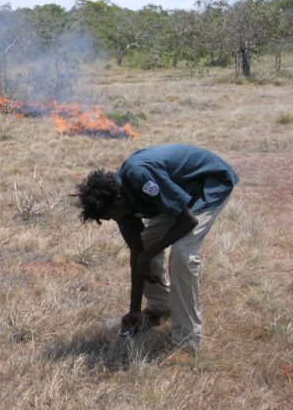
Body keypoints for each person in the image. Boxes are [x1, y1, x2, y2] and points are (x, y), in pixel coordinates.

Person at [74, 144, 239, 353]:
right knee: (147, 247)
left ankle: (187, 340)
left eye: (113, 214)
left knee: (182, 255)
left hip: (209, 181)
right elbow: (138, 252)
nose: (116, 219)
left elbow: (188, 221)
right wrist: (134, 310)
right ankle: (161, 307)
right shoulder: (118, 204)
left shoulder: (140, 176)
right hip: (180, 194)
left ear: (117, 199)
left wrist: (148, 255)